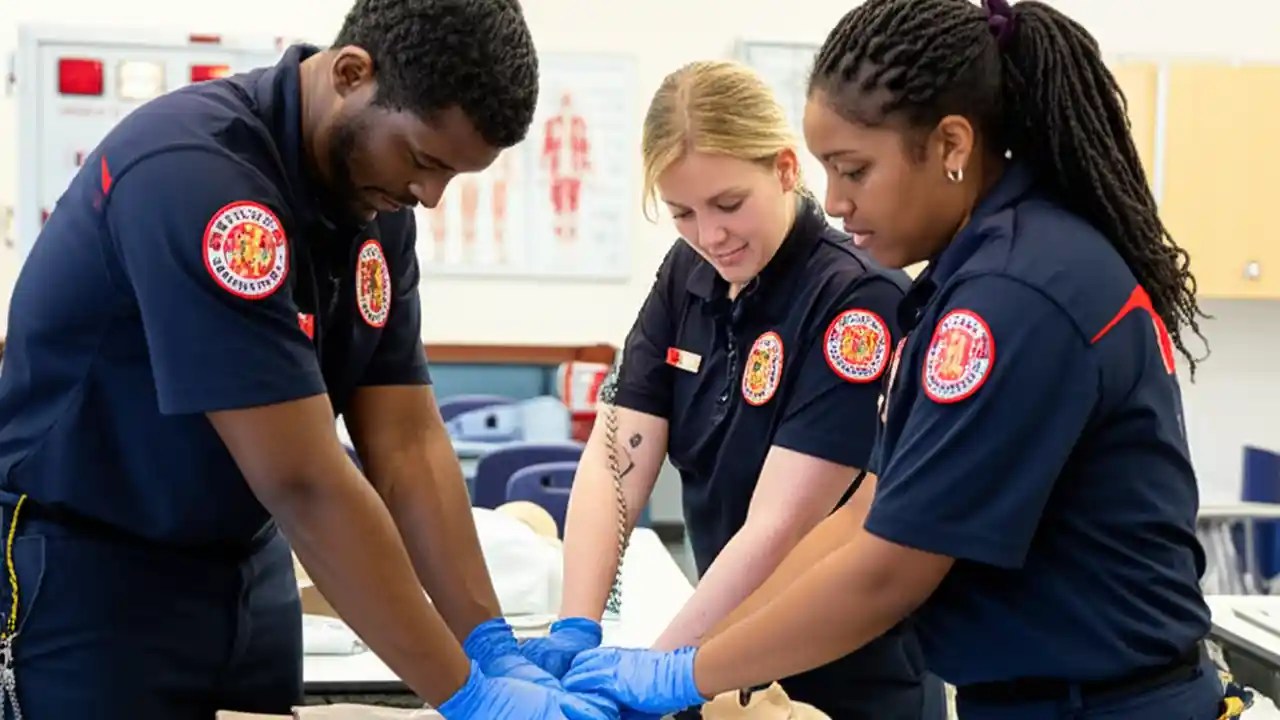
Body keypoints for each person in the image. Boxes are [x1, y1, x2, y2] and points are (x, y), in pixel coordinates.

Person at [558, 1, 1251, 719]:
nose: (835, 201)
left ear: (951, 144)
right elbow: (866, 511)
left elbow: (887, 569)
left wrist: (682, 675)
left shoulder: (1010, 297)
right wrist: (673, 661)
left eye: (854, 171)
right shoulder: (981, 273)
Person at [0, 1, 614, 719]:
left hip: (245, 559)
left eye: (455, 175)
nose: (431, 197)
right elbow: (304, 480)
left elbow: (408, 443)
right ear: (352, 73)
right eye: (422, 160)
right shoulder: (196, 177)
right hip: (91, 569)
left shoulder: (376, 209)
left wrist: (488, 641)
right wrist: (468, 695)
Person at [518, 59, 944, 719]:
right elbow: (615, 458)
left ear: (782, 169)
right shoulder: (688, 274)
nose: (709, 235)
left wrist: (665, 667)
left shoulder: (856, 301)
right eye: (682, 211)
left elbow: (780, 525)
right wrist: (577, 625)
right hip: (715, 659)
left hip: (840, 682)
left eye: (728, 204)